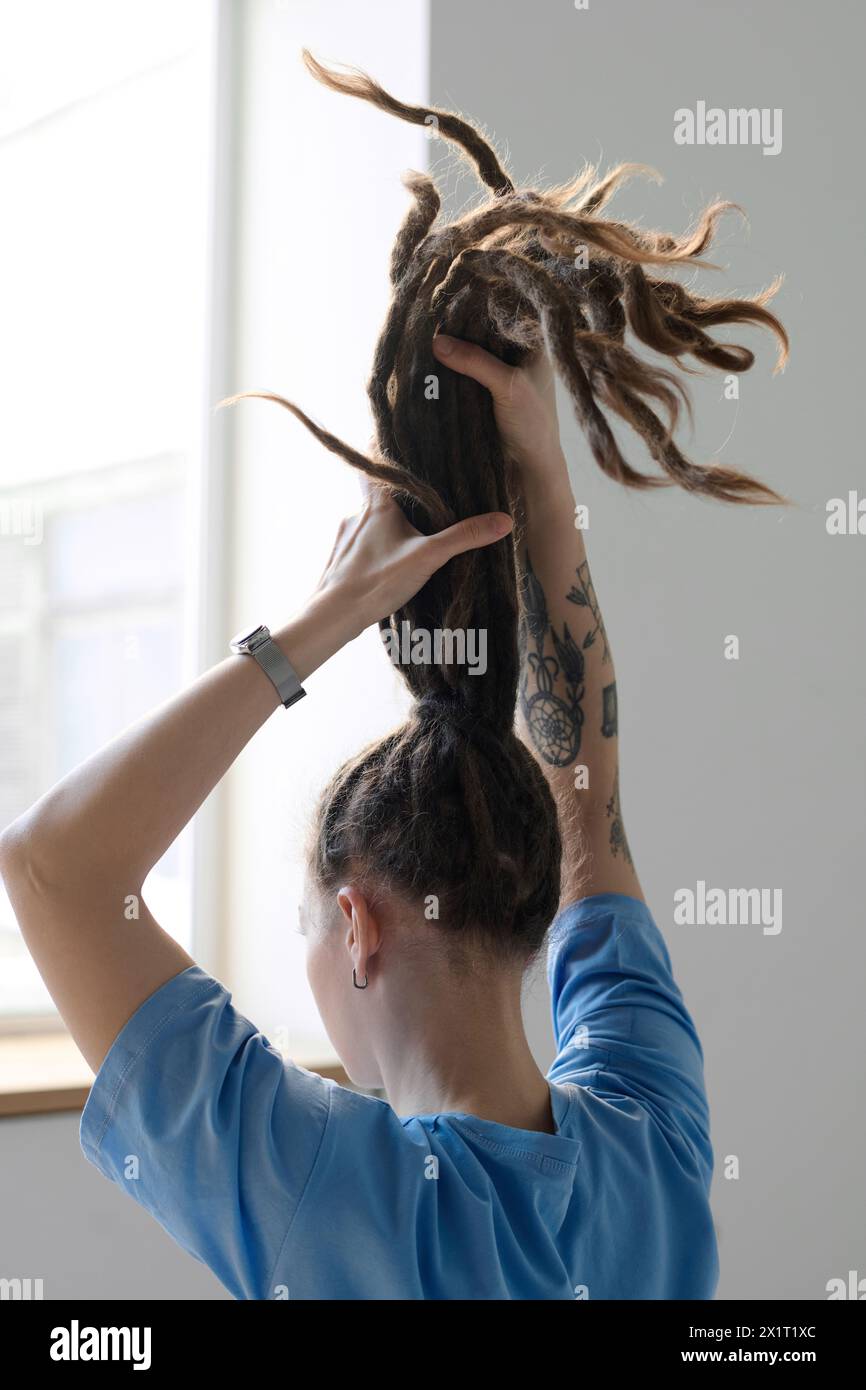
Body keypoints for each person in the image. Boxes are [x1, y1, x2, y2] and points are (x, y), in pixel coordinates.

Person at [0, 339, 718, 1300]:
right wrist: (544, 469)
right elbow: (588, 777)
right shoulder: (652, 1129)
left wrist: (340, 607)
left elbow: (52, 864)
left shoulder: (322, 1187)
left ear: (356, 927)